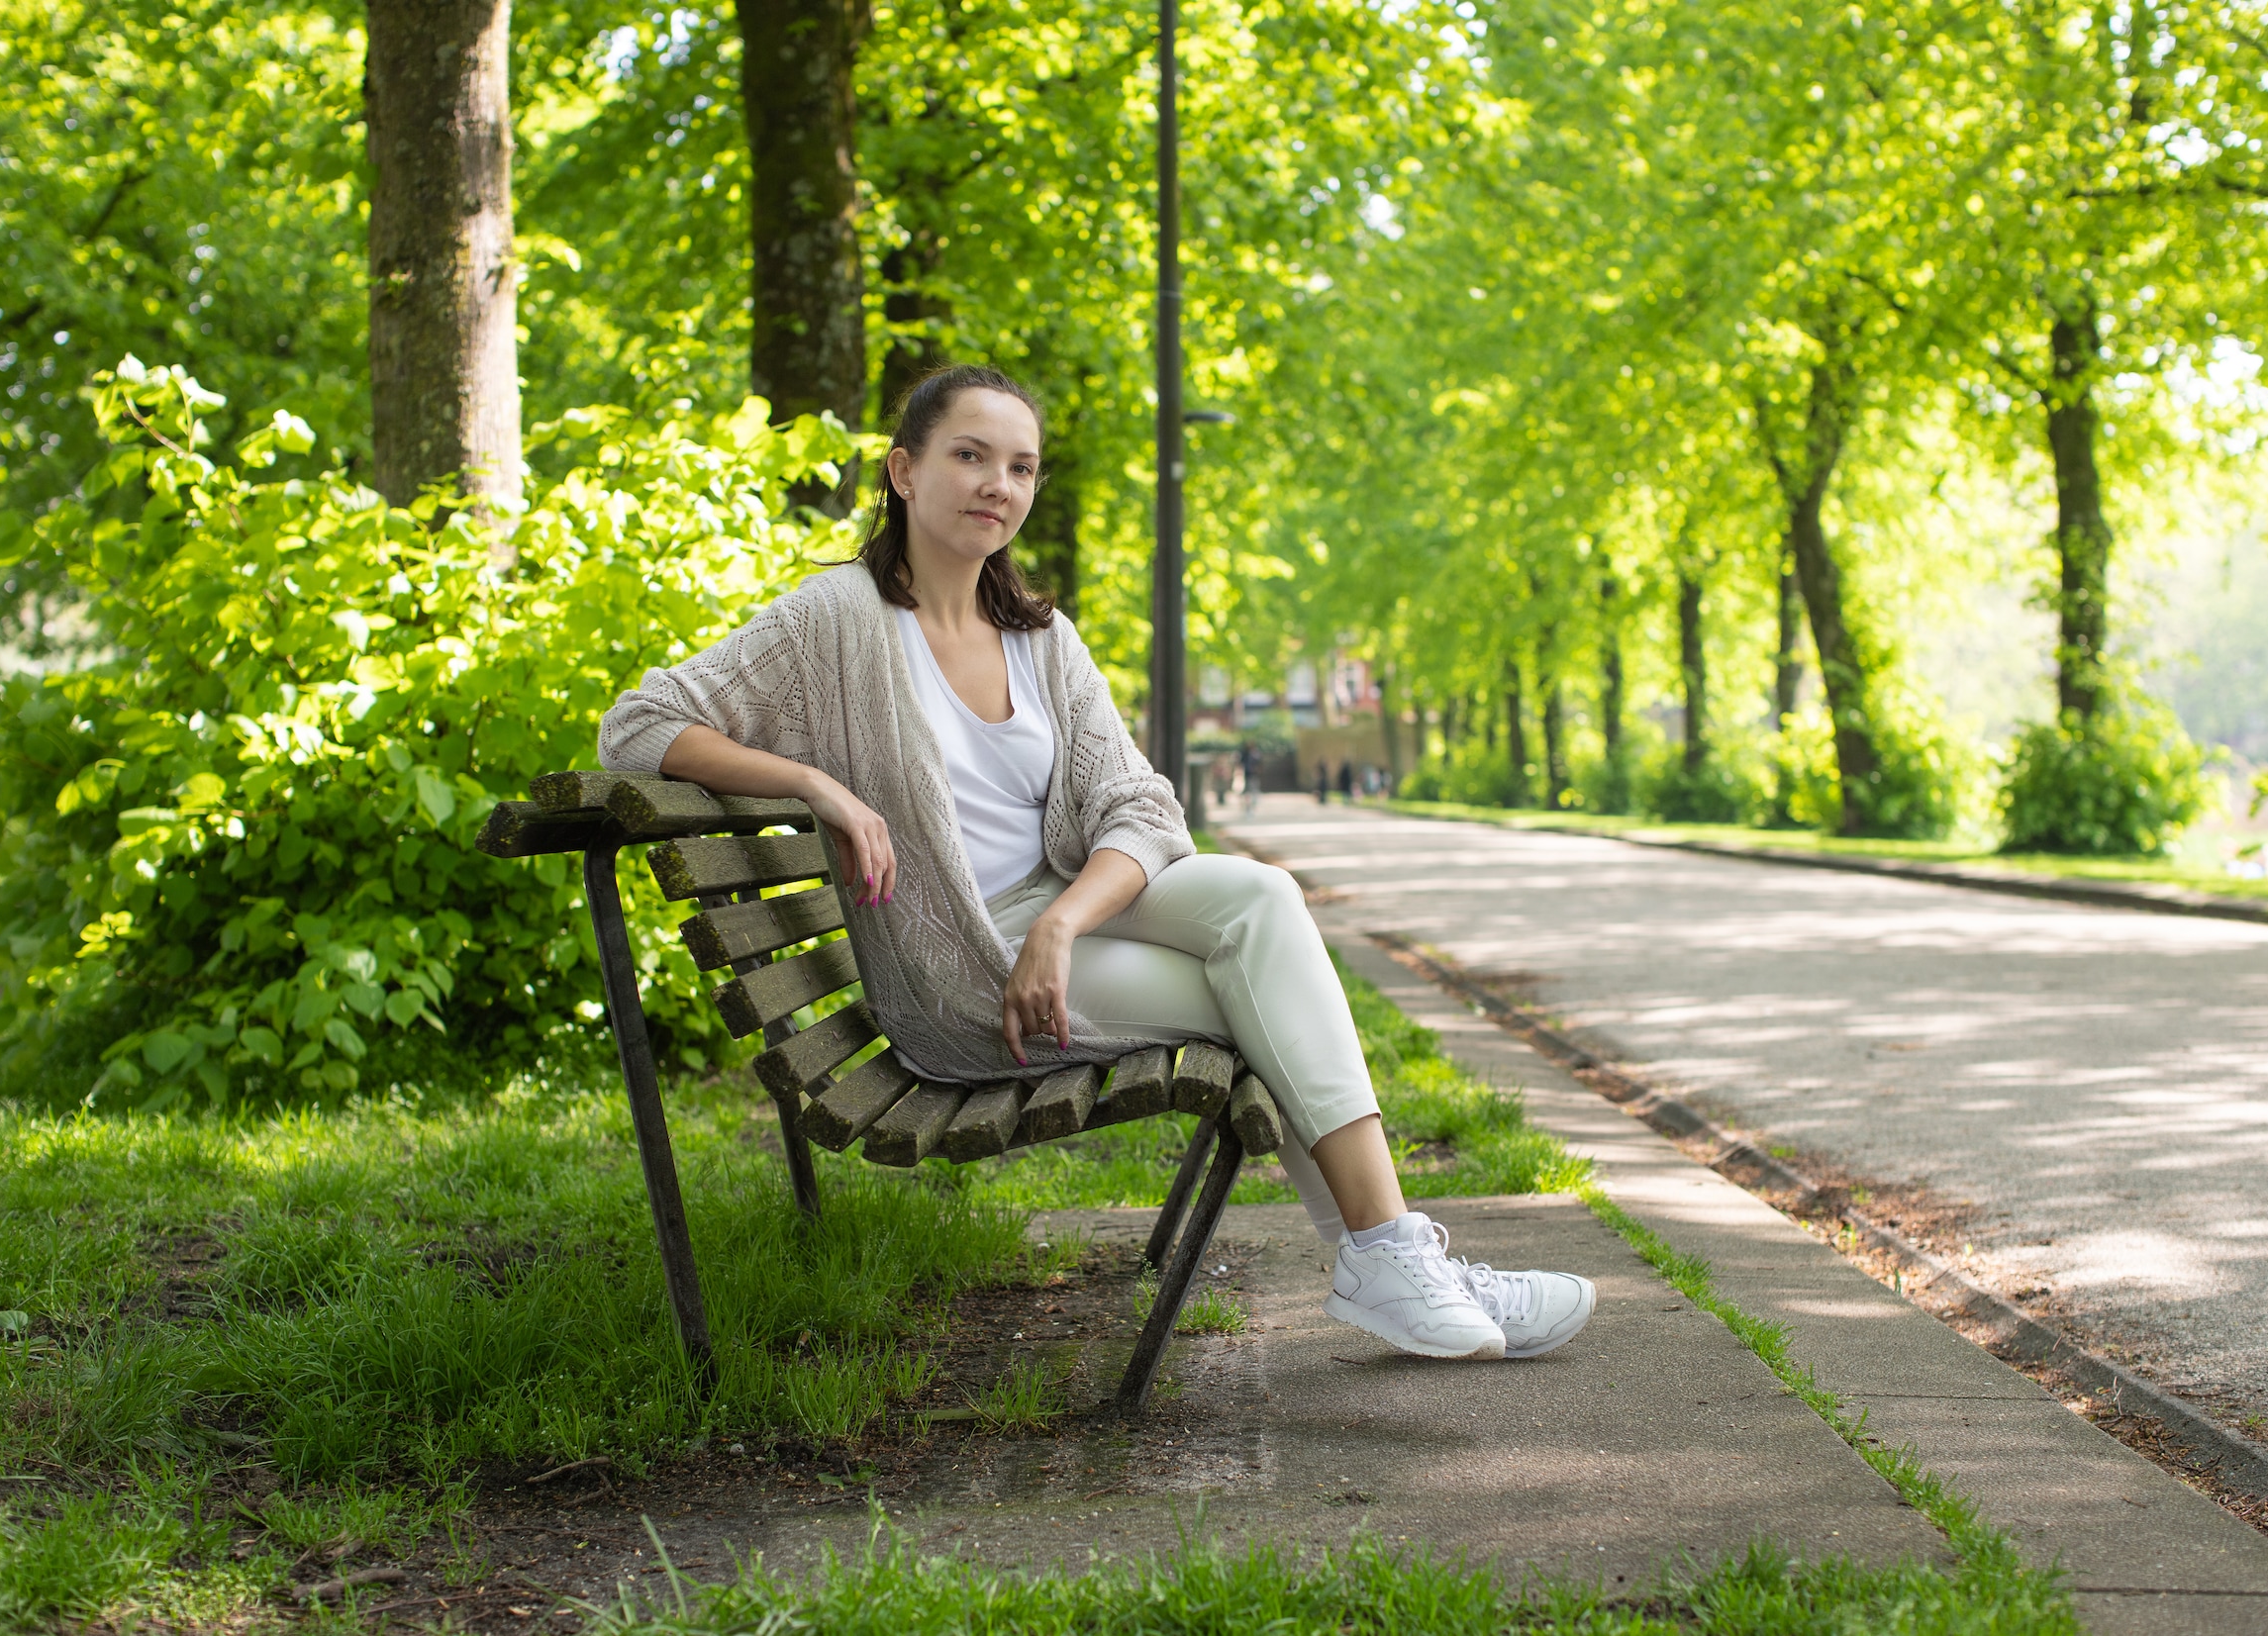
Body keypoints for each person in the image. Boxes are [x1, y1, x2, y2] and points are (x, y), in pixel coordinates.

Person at [598, 365, 1593, 1361]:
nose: (998, 482)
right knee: (1260, 994)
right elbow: (638, 728)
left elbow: (1137, 807)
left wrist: (1062, 921)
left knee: (1260, 899)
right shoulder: (836, 622)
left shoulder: (1039, 640)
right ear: (903, 471)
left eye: (1020, 466)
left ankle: (1394, 1261)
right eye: (969, 455)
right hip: (962, 973)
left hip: (1053, 925)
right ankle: (1398, 1261)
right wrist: (820, 786)